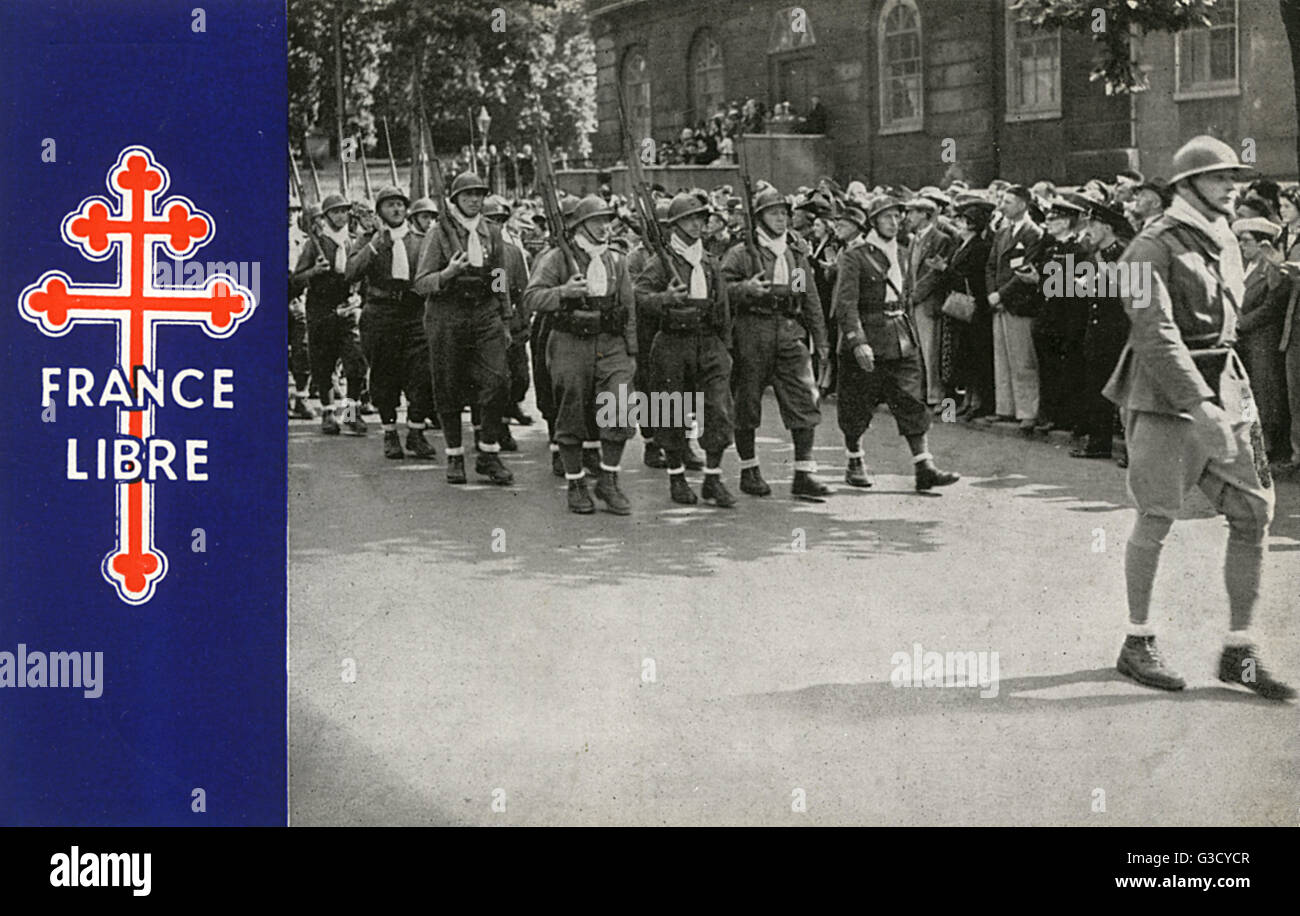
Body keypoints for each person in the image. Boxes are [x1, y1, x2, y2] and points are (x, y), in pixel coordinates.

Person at [1103, 135, 1292, 700]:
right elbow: (1153, 332)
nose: (1232, 188)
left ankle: (1240, 649)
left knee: (1256, 508)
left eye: (1234, 178)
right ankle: (1137, 640)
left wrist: (1229, 401)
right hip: (1164, 396)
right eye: (1219, 179)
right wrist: (1197, 403)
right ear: (1186, 186)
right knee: (1157, 513)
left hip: (1229, 390)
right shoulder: (1148, 247)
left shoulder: (1225, 239)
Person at [833, 196, 960, 492]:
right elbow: (846, 304)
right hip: (868, 335)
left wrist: (911, 334)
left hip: (900, 337)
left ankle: (924, 466)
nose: (894, 222)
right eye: (886, 217)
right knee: (856, 404)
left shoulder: (903, 252)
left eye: (897, 217)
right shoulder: (856, 255)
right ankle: (855, 460)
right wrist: (857, 341)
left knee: (911, 401)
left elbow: (906, 295)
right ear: (873, 220)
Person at [523, 195, 638, 515]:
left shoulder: (616, 260)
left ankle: (608, 480)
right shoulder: (559, 258)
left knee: (621, 408)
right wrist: (562, 293)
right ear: (580, 224)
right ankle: (575, 483)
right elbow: (531, 298)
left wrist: (631, 351)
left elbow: (627, 306)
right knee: (571, 409)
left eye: (607, 220)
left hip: (611, 341)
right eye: (597, 220)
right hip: (570, 341)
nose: (605, 226)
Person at [721, 185, 832, 499]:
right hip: (752, 330)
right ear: (760, 217)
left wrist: (820, 338)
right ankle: (749, 468)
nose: (781, 219)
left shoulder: (794, 252)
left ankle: (804, 473)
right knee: (747, 401)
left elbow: (808, 296)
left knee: (804, 398)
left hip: (788, 330)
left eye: (785, 213)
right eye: (774, 213)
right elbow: (721, 288)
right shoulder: (743, 252)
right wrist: (745, 289)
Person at [634, 192, 738, 507]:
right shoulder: (660, 261)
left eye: (700, 219)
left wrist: (725, 347)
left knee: (719, 409)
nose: (696, 225)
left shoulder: (709, 261)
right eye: (688, 220)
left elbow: (722, 307)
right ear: (675, 225)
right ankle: (677, 476)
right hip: (672, 342)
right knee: (671, 411)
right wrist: (664, 298)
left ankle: (713, 477)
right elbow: (638, 295)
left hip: (708, 340)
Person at [412, 172, 515, 486]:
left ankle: (488, 452)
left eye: (478, 195)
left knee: (497, 380)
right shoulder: (437, 232)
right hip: (447, 314)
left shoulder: (492, 232)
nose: (474, 200)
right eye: (467, 195)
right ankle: (455, 455)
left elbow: (499, 276)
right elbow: (421, 283)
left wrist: (505, 318)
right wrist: (448, 273)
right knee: (448, 386)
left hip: (484, 314)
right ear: (455, 199)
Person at [346, 185, 438, 460]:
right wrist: (375, 245)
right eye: (390, 205)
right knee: (384, 377)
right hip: (380, 313)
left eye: (400, 204)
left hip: (414, 313)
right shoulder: (367, 241)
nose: (396, 209)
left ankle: (416, 431)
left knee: (422, 374)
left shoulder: (420, 241)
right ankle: (389, 433)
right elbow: (351, 272)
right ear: (379, 211)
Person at [290, 193, 368, 436]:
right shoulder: (315, 244)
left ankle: (351, 414)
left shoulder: (354, 242)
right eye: (335, 212)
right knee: (323, 363)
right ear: (325, 217)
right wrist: (315, 270)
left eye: (344, 211)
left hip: (348, 308)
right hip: (321, 309)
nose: (340, 216)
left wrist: (359, 295)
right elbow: (296, 281)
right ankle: (328, 413)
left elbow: (365, 272)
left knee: (355, 360)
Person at [1069, 194, 1133, 460]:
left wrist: (1105, 280)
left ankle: (1132, 449)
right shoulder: (1092, 254)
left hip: (1119, 329)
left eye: (1093, 225)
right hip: (1097, 328)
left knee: (1125, 392)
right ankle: (1099, 442)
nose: (1088, 231)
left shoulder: (1125, 253)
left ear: (1107, 227)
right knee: (1097, 386)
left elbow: (1133, 293)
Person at [983, 185, 1044, 432]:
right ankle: (1005, 408)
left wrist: (1000, 294)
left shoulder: (1033, 233)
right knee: (1003, 358)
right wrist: (991, 293)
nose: (1002, 206)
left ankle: (1028, 411)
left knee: (1023, 360)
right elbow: (991, 266)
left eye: (1008, 202)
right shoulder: (1003, 231)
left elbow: (1024, 271)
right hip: (999, 303)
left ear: (1022, 204)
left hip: (1018, 304)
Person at [1233, 217, 1291, 464]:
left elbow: (1272, 305)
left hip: (1261, 338)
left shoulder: (1271, 270)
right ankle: (1250, 437)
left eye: (1247, 241)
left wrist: (1242, 322)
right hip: (1244, 339)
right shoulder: (1243, 266)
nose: (1242, 245)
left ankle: (1265, 442)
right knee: (1246, 391)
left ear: (1262, 243)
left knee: (1263, 392)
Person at [934, 195, 995, 420]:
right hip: (961, 307)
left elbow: (972, 277)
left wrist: (945, 269)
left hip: (974, 308)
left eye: (962, 220)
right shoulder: (962, 245)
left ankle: (976, 401)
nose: (957, 224)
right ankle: (968, 400)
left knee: (974, 354)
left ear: (971, 224)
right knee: (964, 356)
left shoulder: (980, 247)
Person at [903, 189, 955, 412]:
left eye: (913, 213)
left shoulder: (939, 239)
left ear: (925, 214)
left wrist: (916, 294)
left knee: (931, 350)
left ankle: (937, 395)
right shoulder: (915, 240)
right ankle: (922, 391)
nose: (908, 218)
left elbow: (934, 274)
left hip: (928, 302)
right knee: (918, 350)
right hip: (914, 302)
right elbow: (911, 271)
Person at [287, 203, 316, 421]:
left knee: (303, 351)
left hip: (298, 300)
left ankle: (302, 397)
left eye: (293, 210)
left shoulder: (306, 241)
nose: (289, 215)